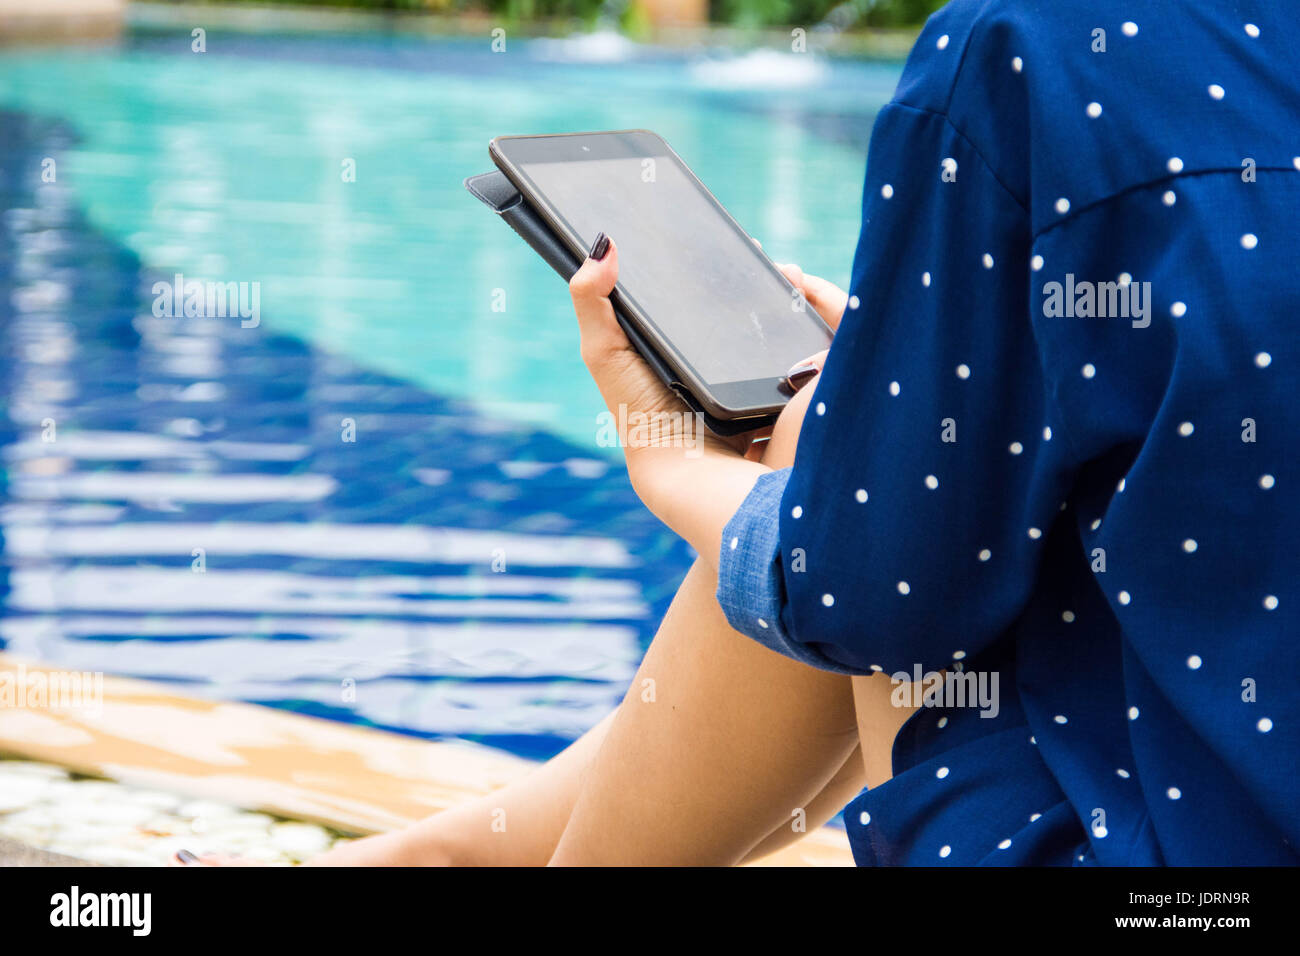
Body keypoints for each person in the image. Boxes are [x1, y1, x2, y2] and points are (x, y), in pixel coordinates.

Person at [186, 0, 1297, 866]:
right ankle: (441, 855)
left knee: (858, 486)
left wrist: (670, 458)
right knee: (886, 454)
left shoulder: (1031, 51)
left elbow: (873, 591)